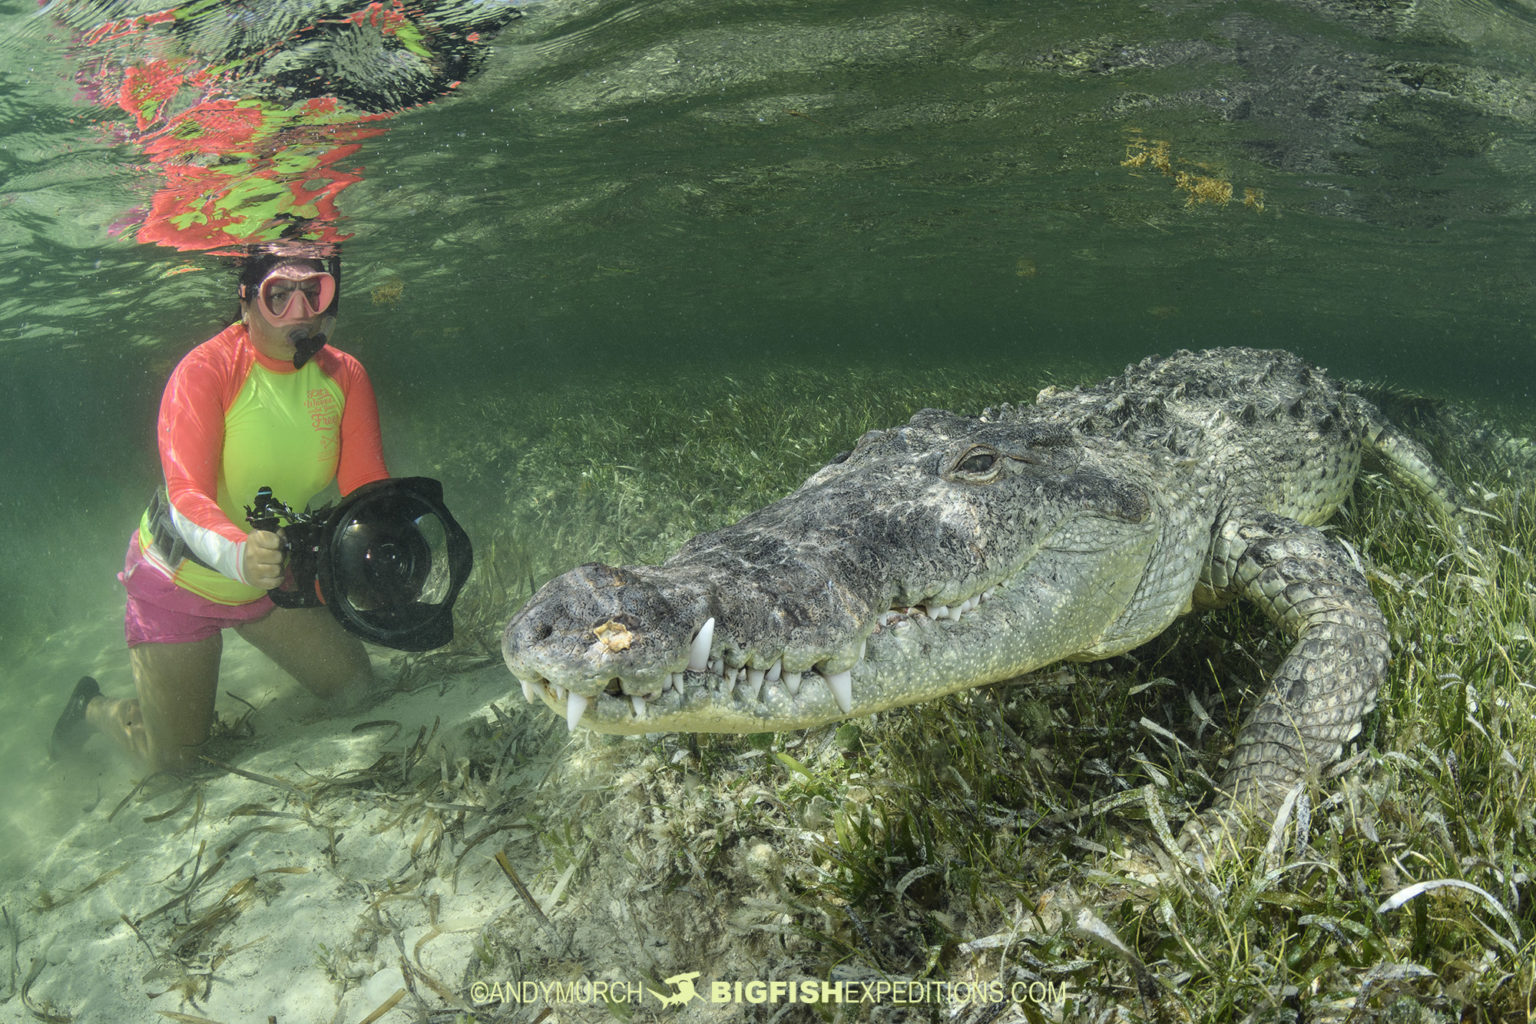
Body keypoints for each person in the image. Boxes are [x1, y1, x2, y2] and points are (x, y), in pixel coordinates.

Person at [49, 247, 389, 772]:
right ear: (247, 300)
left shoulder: (346, 376)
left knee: (359, 693)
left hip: (269, 577)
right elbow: (186, 495)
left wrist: (386, 546)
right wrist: (238, 556)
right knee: (177, 764)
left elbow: (368, 488)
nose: (299, 311)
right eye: (279, 294)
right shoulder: (204, 370)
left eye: (313, 292)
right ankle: (91, 707)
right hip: (178, 580)